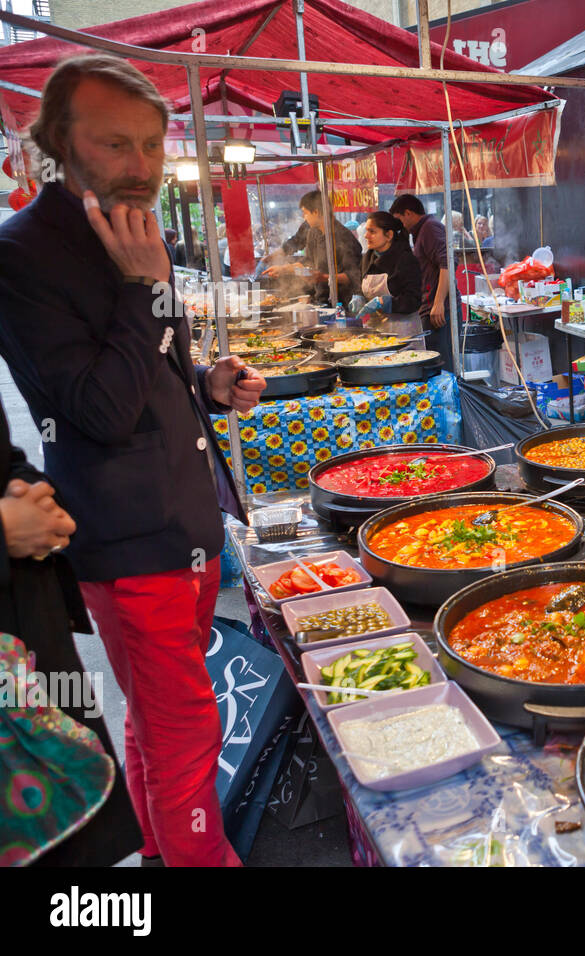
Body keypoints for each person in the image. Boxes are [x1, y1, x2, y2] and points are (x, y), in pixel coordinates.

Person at [0, 54, 268, 866]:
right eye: (116, 144)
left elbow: (141, 375)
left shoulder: (122, 225)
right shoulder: (23, 254)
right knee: (188, 730)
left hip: (181, 521)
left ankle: (159, 849)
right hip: (129, 535)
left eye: (152, 145)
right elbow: (97, 408)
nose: (143, 167)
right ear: (56, 143)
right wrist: (149, 291)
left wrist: (207, 383)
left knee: (160, 723)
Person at [0, 404, 142, 866]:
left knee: (73, 825)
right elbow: (107, 411)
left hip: (28, 627)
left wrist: (35, 497)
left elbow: (6, 456)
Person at [267, 189, 362, 304]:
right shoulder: (313, 233)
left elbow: (354, 276)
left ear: (316, 212)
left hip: (343, 304)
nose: (303, 217)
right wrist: (284, 269)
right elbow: (308, 262)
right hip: (321, 300)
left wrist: (323, 277)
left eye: (305, 212)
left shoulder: (344, 238)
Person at [390, 194, 451, 358]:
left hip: (439, 310)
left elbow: (448, 263)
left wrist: (438, 303)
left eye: (399, 220)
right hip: (429, 307)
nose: (399, 226)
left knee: (441, 363)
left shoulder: (430, 228)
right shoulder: (419, 231)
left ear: (408, 213)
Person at [357, 211, 422, 330]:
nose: (366, 235)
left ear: (389, 235)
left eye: (372, 231)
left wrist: (387, 302)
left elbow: (414, 300)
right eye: (366, 231)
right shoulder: (367, 258)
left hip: (403, 330)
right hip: (375, 329)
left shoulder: (405, 260)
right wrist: (359, 297)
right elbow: (360, 284)